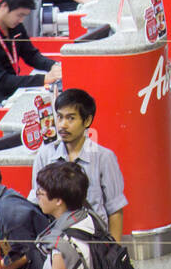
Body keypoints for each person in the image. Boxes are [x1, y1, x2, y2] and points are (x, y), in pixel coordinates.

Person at [29, 88, 127, 242]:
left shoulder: (104, 158)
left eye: (71, 118)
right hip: (56, 242)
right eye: (60, 117)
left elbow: (115, 210)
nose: (63, 125)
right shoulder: (45, 155)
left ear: (87, 121)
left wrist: (113, 251)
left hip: (93, 242)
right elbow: (36, 203)